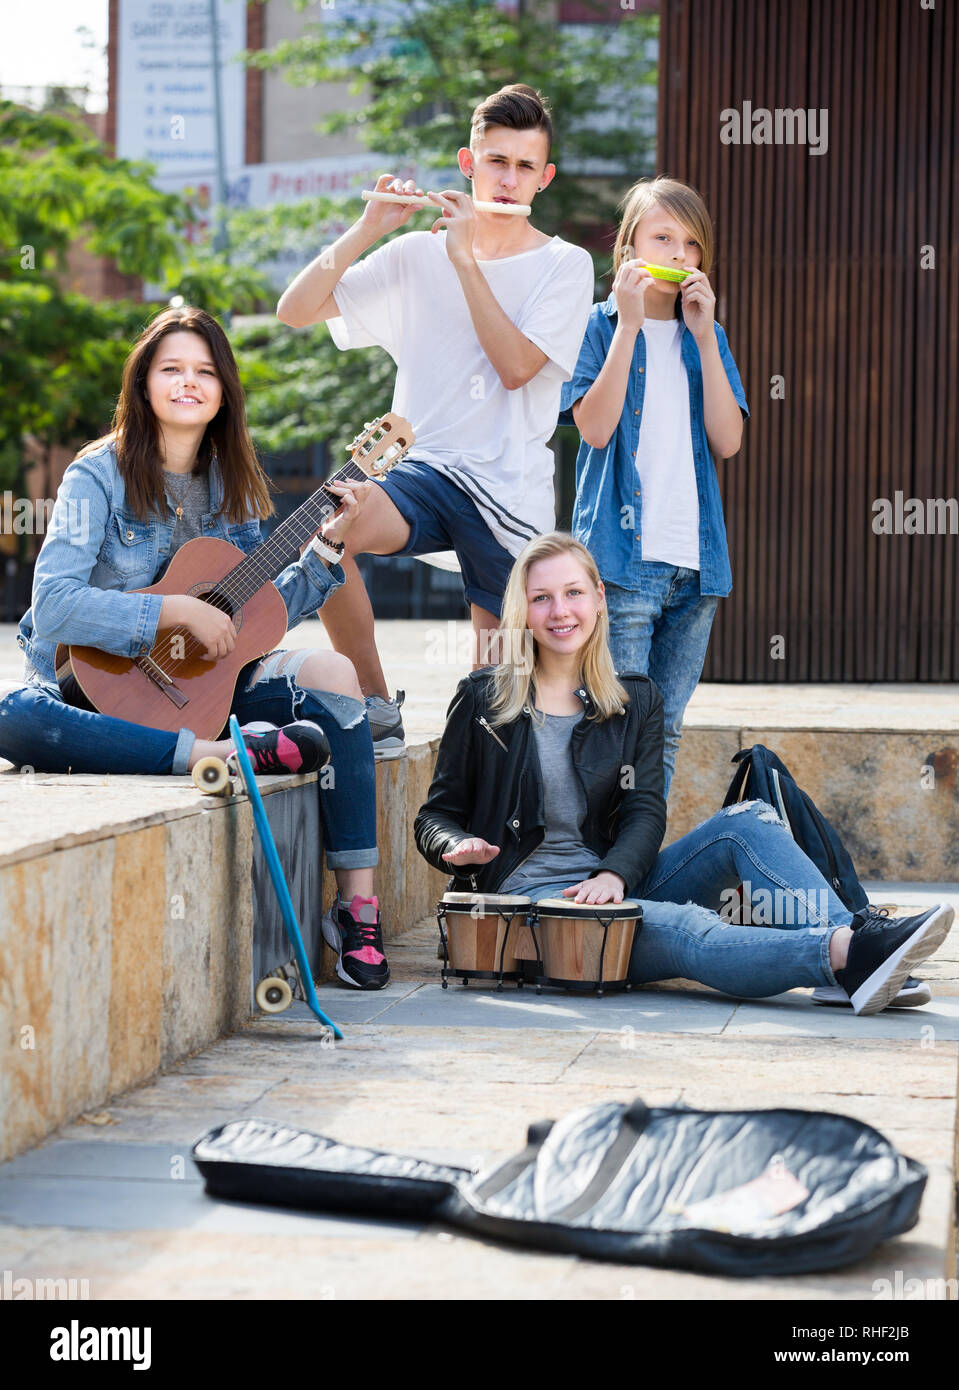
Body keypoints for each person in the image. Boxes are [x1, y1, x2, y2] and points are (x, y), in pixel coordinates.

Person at [0, 306, 389, 991]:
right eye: (171, 369)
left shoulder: (233, 485)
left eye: (205, 372)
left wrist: (326, 551)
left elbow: (257, 619)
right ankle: (213, 755)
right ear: (143, 382)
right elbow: (55, 603)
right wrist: (168, 610)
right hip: (94, 690)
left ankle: (357, 907)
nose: (189, 383)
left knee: (332, 672)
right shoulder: (99, 475)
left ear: (224, 390)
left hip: (199, 690)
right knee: (12, 716)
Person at [414, 533, 952, 1015]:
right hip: (540, 912)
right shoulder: (484, 700)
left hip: (615, 880)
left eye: (574, 592)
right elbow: (436, 814)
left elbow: (645, 810)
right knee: (691, 929)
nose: (561, 610)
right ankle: (851, 954)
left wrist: (614, 875)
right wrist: (454, 844)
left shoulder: (634, 699)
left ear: (599, 599)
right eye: (542, 598)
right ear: (522, 611)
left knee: (749, 819)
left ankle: (857, 951)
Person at [276, 83, 595, 759]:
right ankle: (372, 704)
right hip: (421, 466)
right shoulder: (415, 254)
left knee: (495, 705)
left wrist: (464, 260)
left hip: (507, 490)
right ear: (467, 162)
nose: (507, 179)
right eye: (495, 161)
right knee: (326, 526)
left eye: (523, 166)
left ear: (545, 178)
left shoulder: (565, 266)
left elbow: (513, 367)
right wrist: (369, 228)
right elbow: (294, 311)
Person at [560, 176, 748, 797]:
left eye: (692, 244)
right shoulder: (599, 325)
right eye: (662, 237)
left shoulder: (708, 336)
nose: (678, 255)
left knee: (663, 732)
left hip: (695, 571)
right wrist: (629, 326)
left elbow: (728, 440)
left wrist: (703, 335)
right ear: (629, 248)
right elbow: (593, 428)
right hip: (623, 563)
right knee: (617, 728)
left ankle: (638, 876)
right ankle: (605, 873)